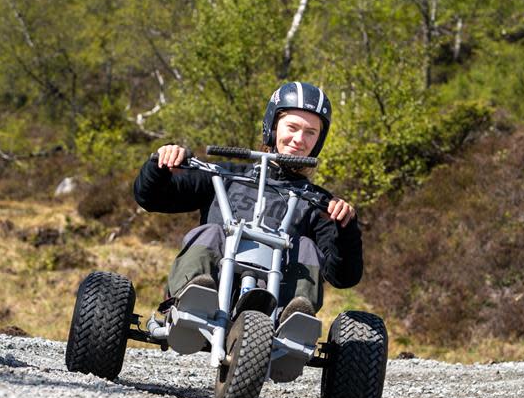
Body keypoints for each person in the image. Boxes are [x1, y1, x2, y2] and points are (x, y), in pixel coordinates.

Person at [133, 81, 362, 322]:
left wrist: (345, 227)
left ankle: (293, 319)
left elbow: (344, 277)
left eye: (310, 133)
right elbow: (149, 198)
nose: (299, 139)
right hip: (210, 292)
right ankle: (191, 297)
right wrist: (160, 165)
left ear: (319, 140)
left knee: (304, 247)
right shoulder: (223, 176)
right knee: (210, 232)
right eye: (292, 127)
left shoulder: (319, 203)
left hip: (272, 309)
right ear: (272, 127)